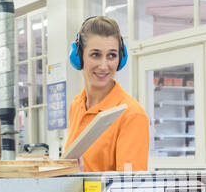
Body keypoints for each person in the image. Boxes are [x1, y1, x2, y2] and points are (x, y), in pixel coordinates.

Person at [64, 16, 149, 172]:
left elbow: (127, 190)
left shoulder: (131, 114)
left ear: (120, 59)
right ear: (79, 56)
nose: (104, 66)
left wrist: (79, 177)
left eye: (111, 55)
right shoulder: (76, 105)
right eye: (95, 54)